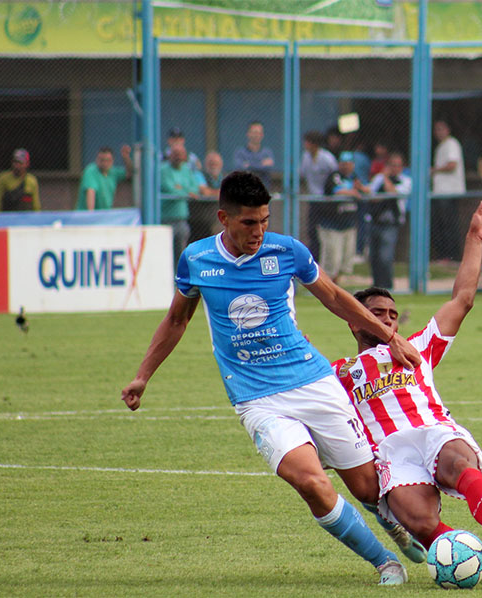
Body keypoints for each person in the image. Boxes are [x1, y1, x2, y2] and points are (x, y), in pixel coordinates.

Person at [120, 171, 425, 586]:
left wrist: (390, 337)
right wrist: (143, 377)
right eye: (249, 222)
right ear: (224, 217)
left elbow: (334, 296)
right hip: (256, 398)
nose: (259, 231)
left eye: (265, 220)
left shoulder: (288, 251)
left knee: (368, 488)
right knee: (311, 483)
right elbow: (177, 319)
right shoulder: (197, 259)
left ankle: (387, 519)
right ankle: (385, 563)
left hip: (313, 382)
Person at [331, 199, 482, 585]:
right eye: (377, 313)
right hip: (391, 451)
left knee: (458, 461)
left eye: (392, 313)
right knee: (419, 521)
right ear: (356, 323)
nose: (388, 319)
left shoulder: (417, 347)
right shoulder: (339, 373)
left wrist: (475, 237)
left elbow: (463, 299)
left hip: (433, 431)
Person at [366, 152, 412, 290]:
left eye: (398, 165)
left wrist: (385, 177)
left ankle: (387, 287)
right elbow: (371, 195)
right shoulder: (379, 178)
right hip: (375, 221)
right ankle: (376, 286)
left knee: (385, 257)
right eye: (392, 165)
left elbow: (392, 192)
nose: (395, 168)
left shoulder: (406, 181)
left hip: (390, 224)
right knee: (373, 257)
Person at [320, 152, 366, 283]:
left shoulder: (354, 177)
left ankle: (335, 286)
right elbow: (336, 190)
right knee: (332, 260)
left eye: (349, 164)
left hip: (349, 224)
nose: (346, 167)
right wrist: (353, 191)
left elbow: (365, 190)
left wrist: (361, 188)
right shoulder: (334, 176)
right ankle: (326, 286)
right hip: (332, 225)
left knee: (345, 262)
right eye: (343, 164)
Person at [430, 120, 466, 260]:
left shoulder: (452, 144)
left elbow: (452, 165)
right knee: (439, 224)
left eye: (441, 129)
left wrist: (434, 170)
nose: (438, 132)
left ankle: (451, 256)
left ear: (447, 130)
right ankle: (444, 255)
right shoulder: (441, 146)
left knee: (448, 225)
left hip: (449, 191)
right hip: (439, 192)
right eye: (436, 129)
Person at [159, 146, 198, 266]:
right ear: (170, 155)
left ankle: (179, 279)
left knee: (182, 253)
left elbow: (195, 189)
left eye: (181, 154)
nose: (178, 157)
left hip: (182, 219)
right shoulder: (163, 170)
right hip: (166, 220)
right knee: (165, 252)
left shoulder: (186, 170)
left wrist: (180, 189)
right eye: (175, 154)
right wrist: (186, 192)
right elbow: (169, 189)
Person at [76, 145, 134, 210]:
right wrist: (91, 215)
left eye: (108, 160)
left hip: (104, 214)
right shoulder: (90, 171)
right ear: (97, 160)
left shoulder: (114, 172)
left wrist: (126, 157)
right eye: (102, 160)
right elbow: (90, 191)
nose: (105, 163)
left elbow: (130, 173)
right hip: (86, 216)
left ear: (112, 161)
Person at [233, 121, 276, 190]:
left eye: (259, 133)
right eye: (254, 132)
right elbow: (241, 169)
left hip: (263, 191)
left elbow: (269, 167)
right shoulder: (240, 152)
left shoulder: (267, 152)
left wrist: (249, 165)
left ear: (262, 135)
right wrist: (261, 165)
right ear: (248, 134)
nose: (256, 135)